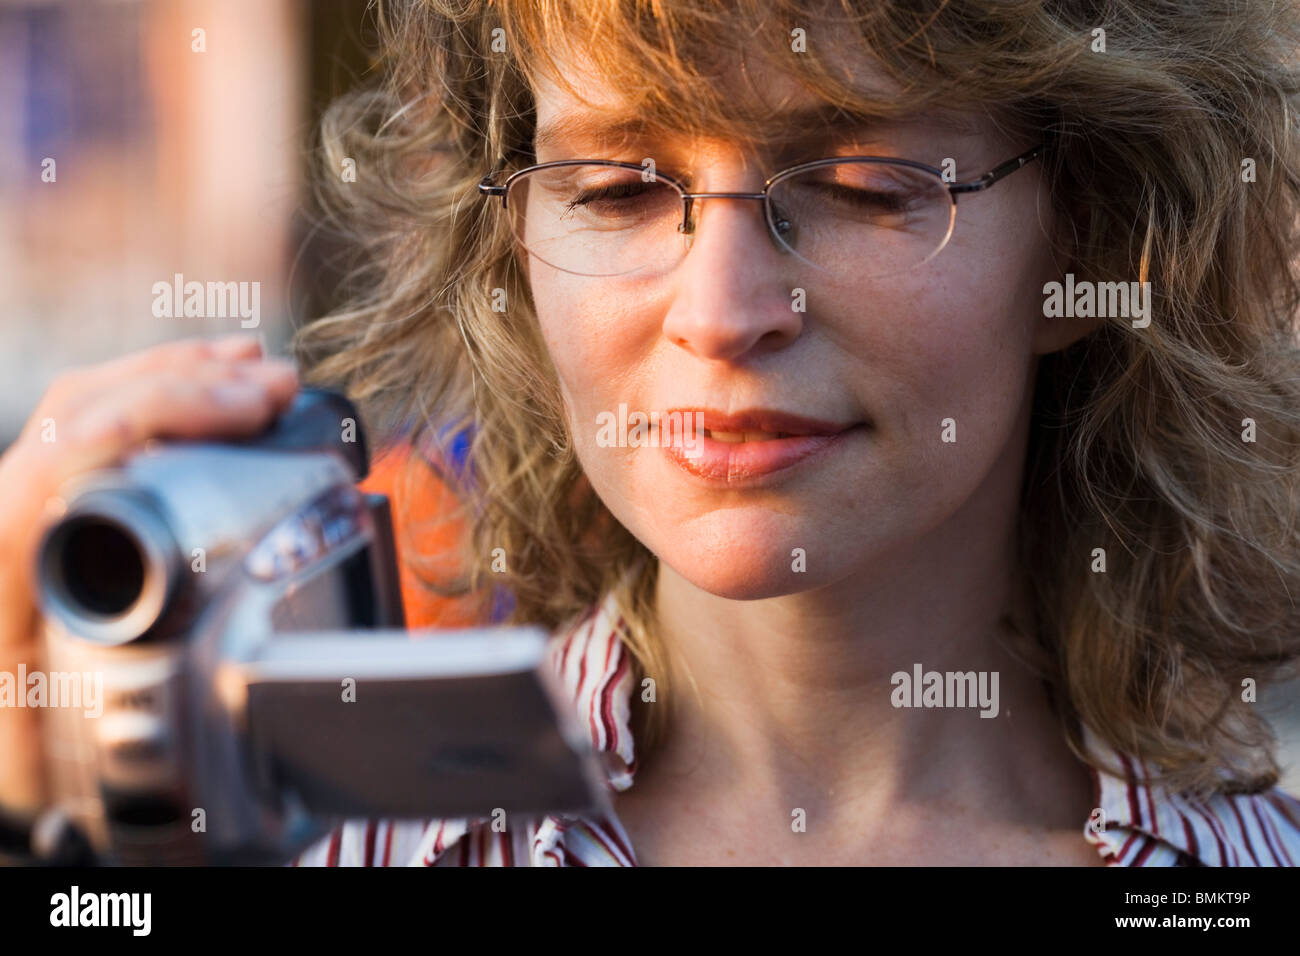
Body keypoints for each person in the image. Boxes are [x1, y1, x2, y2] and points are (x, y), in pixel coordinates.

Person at [5, 0, 1300, 866]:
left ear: (1090, 239)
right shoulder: (333, 847)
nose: (724, 310)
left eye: (860, 187)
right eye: (617, 189)